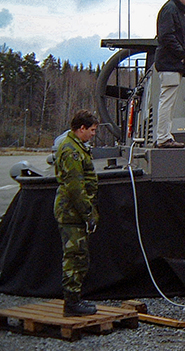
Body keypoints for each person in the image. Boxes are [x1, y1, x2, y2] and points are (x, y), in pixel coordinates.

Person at [54, 109, 99, 316]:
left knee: (80, 256)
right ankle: (71, 303)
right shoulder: (71, 151)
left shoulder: (77, 147)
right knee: (74, 257)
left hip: (75, 212)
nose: (92, 134)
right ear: (81, 128)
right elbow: (75, 186)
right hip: (72, 212)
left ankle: (75, 299)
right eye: (91, 130)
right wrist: (87, 213)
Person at [154, 0, 185, 148]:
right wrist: (183, 55)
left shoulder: (172, 10)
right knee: (167, 102)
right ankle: (164, 137)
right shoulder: (171, 10)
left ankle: (164, 135)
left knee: (168, 101)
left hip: (171, 63)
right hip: (170, 63)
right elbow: (166, 36)